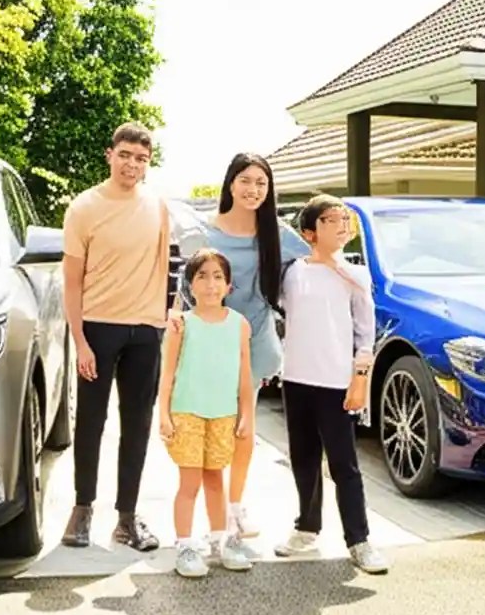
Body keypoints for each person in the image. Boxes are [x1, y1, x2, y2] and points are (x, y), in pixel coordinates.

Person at [173, 153, 309, 539]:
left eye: (261, 183)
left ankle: (236, 507)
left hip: (254, 341)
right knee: (206, 425)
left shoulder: (279, 234)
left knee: (242, 428)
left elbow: (314, 264)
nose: (253, 190)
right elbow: (185, 287)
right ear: (231, 183)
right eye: (246, 181)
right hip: (206, 345)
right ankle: (204, 510)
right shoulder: (205, 232)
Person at [60, 121, 169, 552]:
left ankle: (127, 517)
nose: (132, 164)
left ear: (148, 164)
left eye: (141, 158)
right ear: (110, 155)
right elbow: (71, 282)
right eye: (125, 155)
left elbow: (168, 265)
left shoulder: (158, 206)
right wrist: (80, 341)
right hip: (98, 329)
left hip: (146, 331)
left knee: (137, 425)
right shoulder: (84, 207)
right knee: (90, 422)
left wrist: (166, 319)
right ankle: (82, 508)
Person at [274, 194, 389, 575]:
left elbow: (365, 334)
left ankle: (359, 540)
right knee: (304, 460)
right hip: (296, 379)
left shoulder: (356, 275)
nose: (341, 225)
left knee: (345, 465)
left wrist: (359, 380)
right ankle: (306, 528)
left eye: (344, 219)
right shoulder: (292, 272)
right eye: (330, 219)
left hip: (336, 383)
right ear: (309, 232)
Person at [157, 248, 256, 577]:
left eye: (218, 277)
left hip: (223, 413)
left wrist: (245, 414)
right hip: (187, 412)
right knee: (190, 482)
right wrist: (164, 415)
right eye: (202, 276)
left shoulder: (239, 324)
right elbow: (167, 373)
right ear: (190, 284)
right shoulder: (181, 325)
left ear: (228, 285)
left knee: (216, 478)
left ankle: (219, 539)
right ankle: (184, 545)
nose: (211, 284)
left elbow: (244, 374)